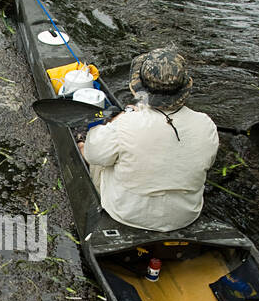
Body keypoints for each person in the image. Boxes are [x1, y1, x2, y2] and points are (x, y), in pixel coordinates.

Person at [80, 49, 218, 231]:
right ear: (184, 88)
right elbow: (207, 163)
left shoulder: (124, 124)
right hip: (186, 215)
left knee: (96, 152)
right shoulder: (206, 124)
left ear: (140, 88)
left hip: (127, 214)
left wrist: (119, 118)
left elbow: (93, 154)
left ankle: (79, 147)